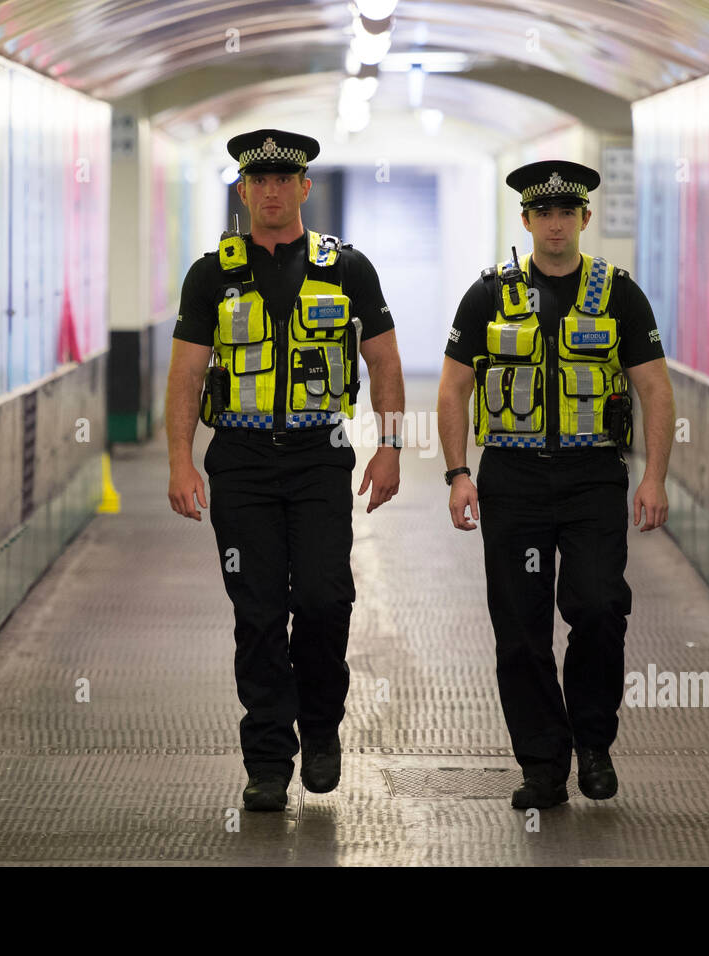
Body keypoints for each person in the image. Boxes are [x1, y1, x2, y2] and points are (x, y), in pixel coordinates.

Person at [166, 129, 405, 811]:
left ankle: (321, 728)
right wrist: (181, 461)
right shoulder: (211, 274)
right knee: (260, 613)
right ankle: (268, 759)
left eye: (283, 179)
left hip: (319, 458)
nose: (270, 191)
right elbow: (186, 375)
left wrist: (390, 446)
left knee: (326, 600)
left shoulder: (348, 269)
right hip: (239, 464)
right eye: (257, 181)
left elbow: (383, 361)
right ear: (243, 191)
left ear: (304, 187)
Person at [436, 159, 674, 810]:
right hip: (511, 478)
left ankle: (593, 743)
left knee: (599, 608)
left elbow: (654, 387)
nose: (556, 223)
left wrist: (653, 475)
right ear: (527, 220)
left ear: (584, 220)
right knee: (520, 630)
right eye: (544, 213)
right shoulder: (489, 293)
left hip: (593, 476)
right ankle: (542, 765)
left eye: (567, 212)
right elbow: (454, 385)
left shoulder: (619, 293)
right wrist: (458, 473)